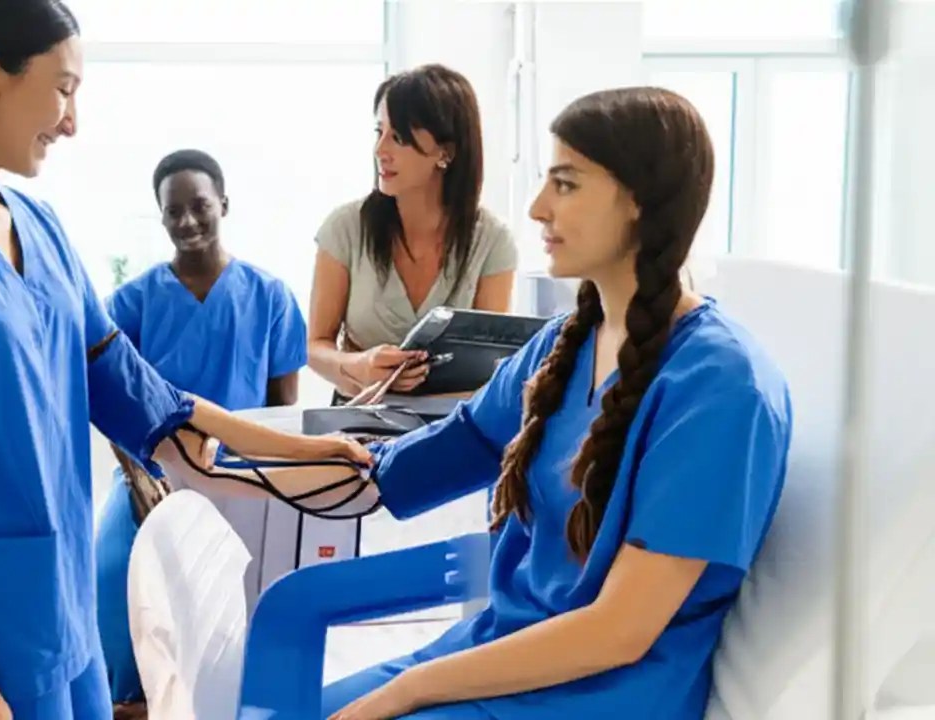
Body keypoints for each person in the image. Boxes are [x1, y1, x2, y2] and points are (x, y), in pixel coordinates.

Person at [0, 3, 365, 719]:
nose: (71, 121)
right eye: (64, 88)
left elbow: (148, 400)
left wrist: (306, 452)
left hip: (60, 611)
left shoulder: (38, 227)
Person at [171, 87, 793, 719]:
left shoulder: (721, 388)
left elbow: (619, 631)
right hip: (494, 653)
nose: (537, 207)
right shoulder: (560, 347)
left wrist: (411, 688)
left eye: (567, 184)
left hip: (601, 695)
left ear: (639, 201)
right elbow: (385, 474)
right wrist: (217, 460)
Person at [94, 148, 307, 715]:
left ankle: (249, 694)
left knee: (263, 580)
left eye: (200, 206)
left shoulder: (270, 297)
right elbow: (113, 403)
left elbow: (282, 407)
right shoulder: (133, 302)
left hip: (241, 471)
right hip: (152, 471)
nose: (187, 221)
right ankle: (132, 703)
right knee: (115, 568)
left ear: (224, 205)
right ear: (160, 216)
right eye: (173, 211)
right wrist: (139, 480)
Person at [308, 63, 518, 403]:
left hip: (452, 425)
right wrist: (358, 366)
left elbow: (491, 365)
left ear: (445, 152)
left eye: (399, 137)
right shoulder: (344, 228)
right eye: (379, 132)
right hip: (358, 420)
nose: (380, 151)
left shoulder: (492, 240)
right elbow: (317, 347)